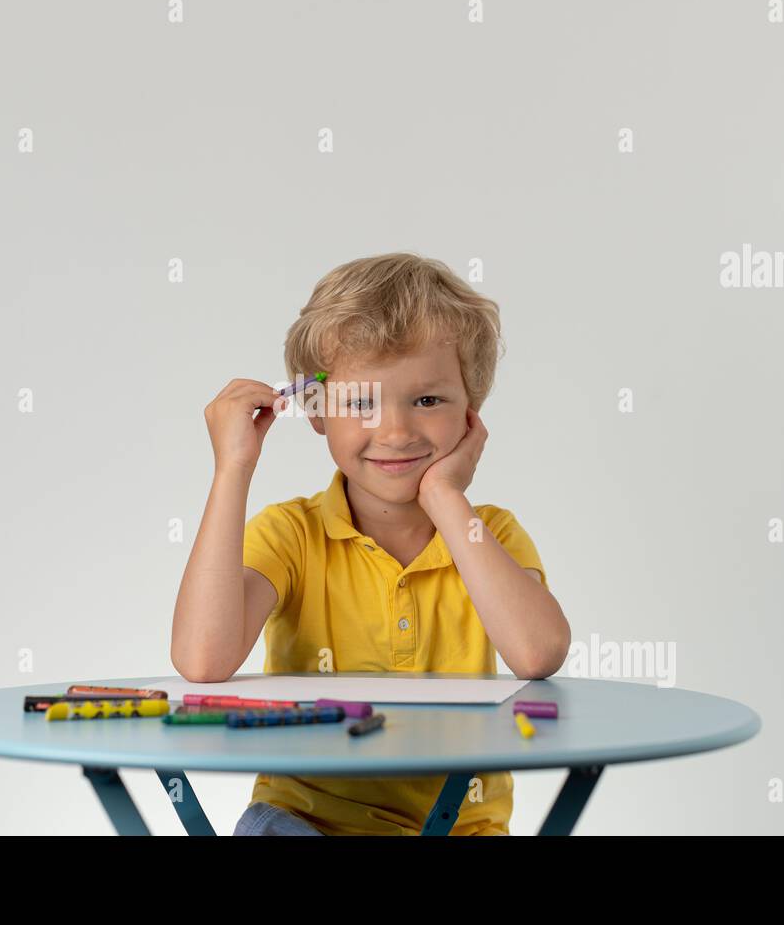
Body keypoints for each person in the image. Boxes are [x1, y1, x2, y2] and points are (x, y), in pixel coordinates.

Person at [171, 252, 571, 835]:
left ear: (471, 415)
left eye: (428, 400)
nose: (396, 431)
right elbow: (202, 661)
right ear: (315, 411)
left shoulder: (490, 535)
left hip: (458, 826)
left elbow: (537, 655)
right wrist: (233, 467)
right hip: (307, 820)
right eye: (360, 403)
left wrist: (445, 497)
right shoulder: (292, 534)